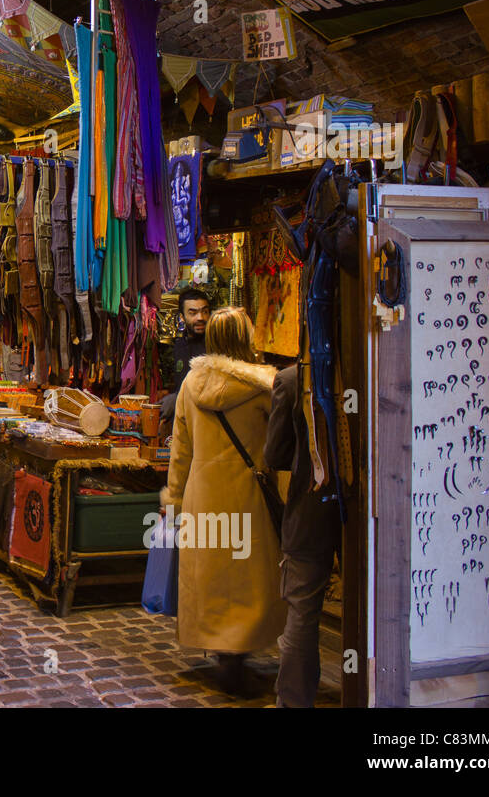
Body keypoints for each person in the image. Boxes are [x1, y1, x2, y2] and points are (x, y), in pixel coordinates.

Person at [163, 306, 285, 696]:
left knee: (211, 576)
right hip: (248, 494)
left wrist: (175, 496)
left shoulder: (190, 385)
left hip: (204, 493)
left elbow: (180, 450)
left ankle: (223, 651)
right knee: (250, 578)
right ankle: (240, 650)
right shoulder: (266, 387)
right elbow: (279, 450)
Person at [265, 362, 341, 708]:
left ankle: (294, 702)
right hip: (370, 508)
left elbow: (276, 454)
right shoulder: (380, 365)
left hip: (312, 504)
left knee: (302, 609)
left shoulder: (294, 378)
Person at [160, 287, 211, 426]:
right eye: (193, 313)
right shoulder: (179, 345)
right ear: (182, 317)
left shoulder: (215, 345)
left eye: (204, 312)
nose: (200, 318)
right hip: (183, 422)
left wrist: (177, 399)